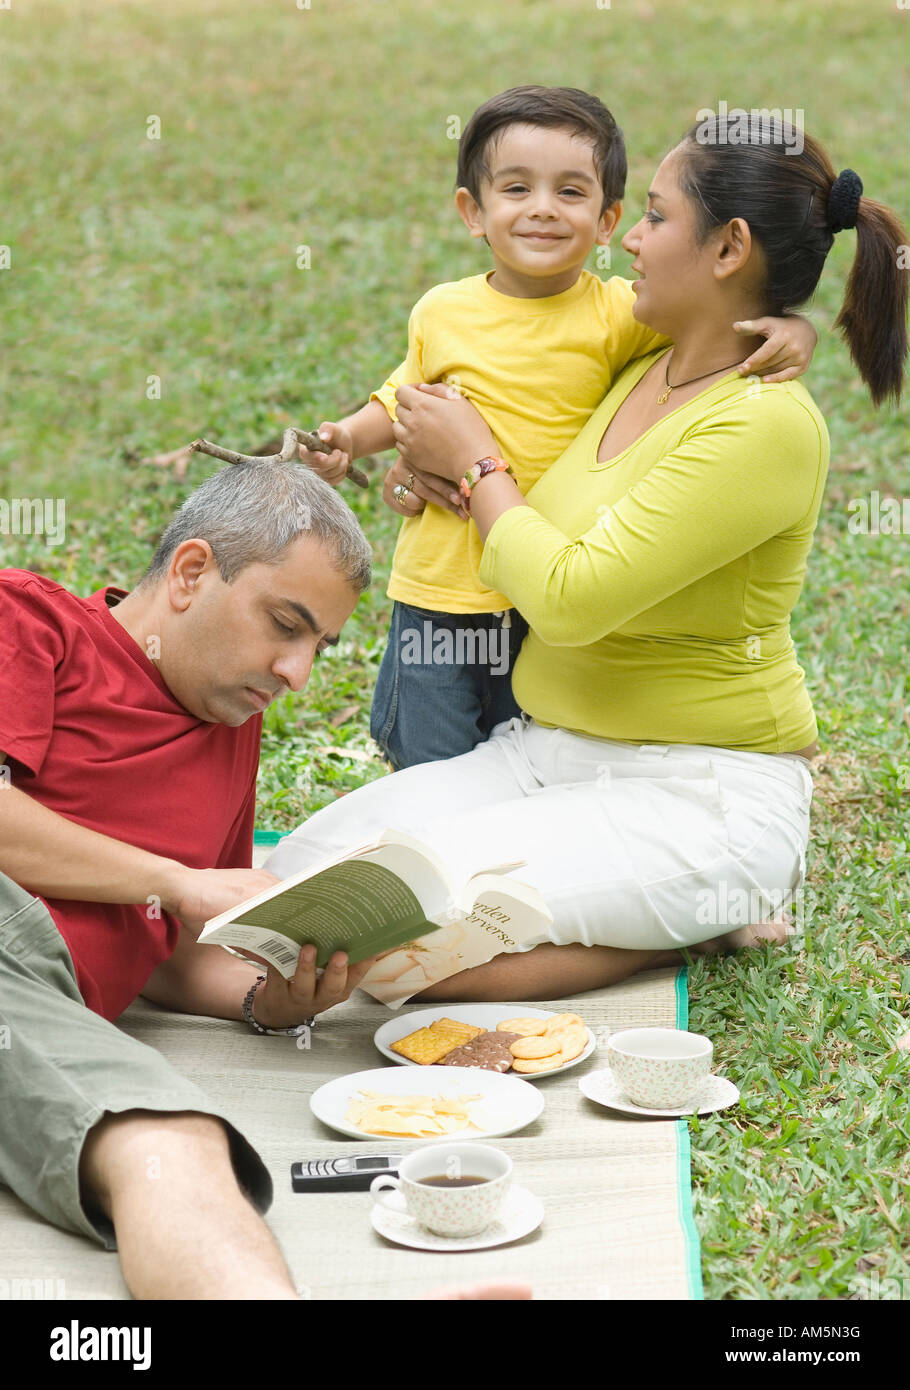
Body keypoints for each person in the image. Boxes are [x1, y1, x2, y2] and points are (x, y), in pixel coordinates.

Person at [266, 113, 907, 1003]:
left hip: (701, 796)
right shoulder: (633, 365)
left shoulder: (765, 425)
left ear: (728, 248)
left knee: (393, 949)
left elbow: (568, 596)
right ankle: (654, 918)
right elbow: (513, 457)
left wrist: (477, 463)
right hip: (545, 755)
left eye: (651, 216)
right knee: (299, 886)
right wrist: (424, 473)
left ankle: (686, 932)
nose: (630, 241)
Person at [300, 86, 818, 770]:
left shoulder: (620, 325)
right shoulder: (455, 313)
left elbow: (716, 325)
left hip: (541, 620)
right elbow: (410, 394)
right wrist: (373, 447)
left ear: (606, 220)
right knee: (420, 759)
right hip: (444, 600)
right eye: (516, 188)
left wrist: (790, 323)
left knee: (488, 756)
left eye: (652, 217)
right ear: (472, 211)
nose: (543, 208)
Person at [0, 461, 381, 1299]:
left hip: (34, 1000)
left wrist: (265, 999)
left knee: (170, 1137)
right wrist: (176, 880)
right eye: (285, 624)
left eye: (319, 648)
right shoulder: (27, 616)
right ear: (191, 571)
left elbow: (162, 944)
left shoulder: (227, 736)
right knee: (161, 1137)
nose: (297, 675)